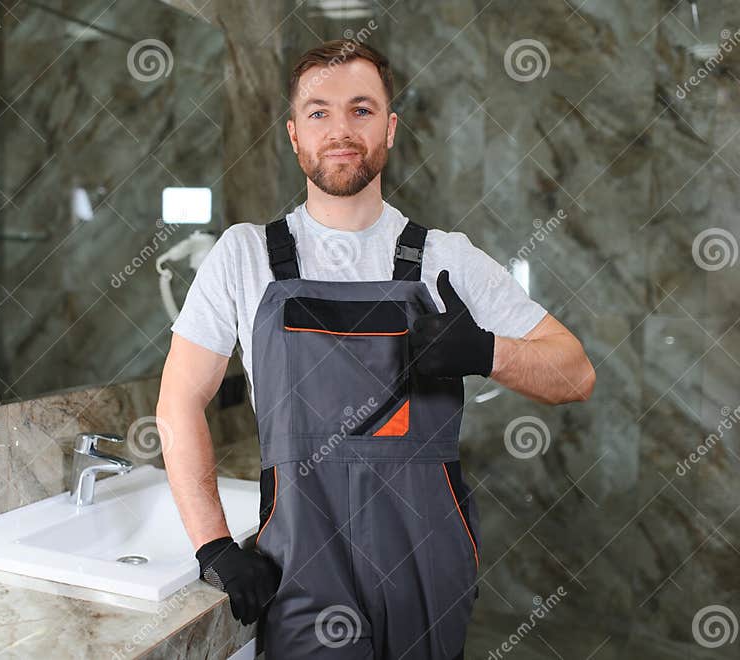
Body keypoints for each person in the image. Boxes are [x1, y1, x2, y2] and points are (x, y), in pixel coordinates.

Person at [157, 40, 595, 659]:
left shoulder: (446, 257)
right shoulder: (245, 254)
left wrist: (486, 351)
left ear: (389, 128)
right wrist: (215, 548)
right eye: (319, 112)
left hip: (428, 563)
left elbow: (576, 372)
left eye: (361, 110)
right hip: (304, 567)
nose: (340, 129)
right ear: (293, 135)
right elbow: (177, 404)